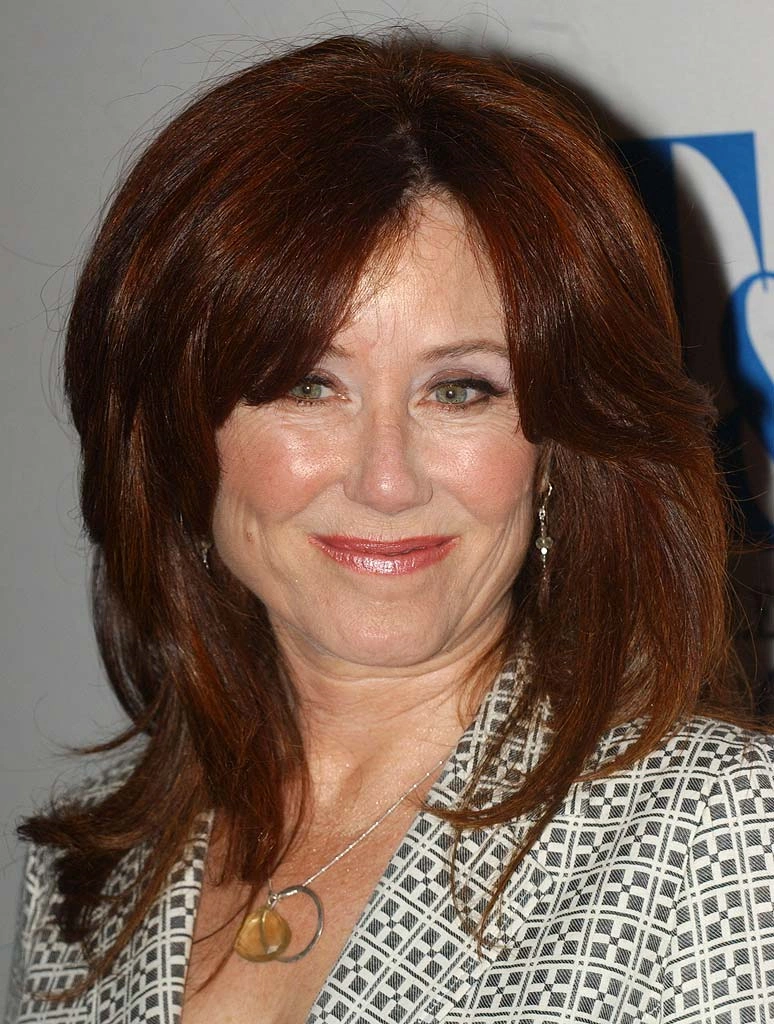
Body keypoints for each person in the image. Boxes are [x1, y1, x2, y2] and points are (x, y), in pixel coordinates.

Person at [5, 31, 774, 1024]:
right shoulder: (87, 879)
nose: (386, 480)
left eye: (460, 390)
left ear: (559, 445)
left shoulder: (719, 838)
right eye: (307, 384)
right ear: (179, 436)